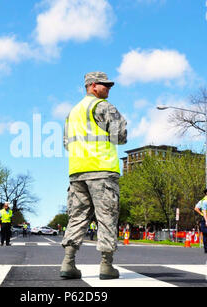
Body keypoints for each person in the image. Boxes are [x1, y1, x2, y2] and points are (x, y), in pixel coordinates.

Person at [60, 71, 127, 280]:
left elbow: (65, 143)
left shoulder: (72, 113)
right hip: (102, 170)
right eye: (104, 85)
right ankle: (107, 265)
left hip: (77, 172)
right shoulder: (103, 107)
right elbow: (121, 137)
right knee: (106, 216)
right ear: (92, 86)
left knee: (77, 217)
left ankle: (68, 263)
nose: (108, 88)